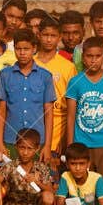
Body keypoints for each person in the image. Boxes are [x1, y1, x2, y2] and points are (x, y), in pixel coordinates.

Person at [65, 37, 103, 179]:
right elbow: (71, 117)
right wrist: (70, 147)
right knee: (83, 188)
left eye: (98, 56)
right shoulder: (75, 82)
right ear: (83, 58)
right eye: (89, 56)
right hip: (81, 144)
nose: (93, 60)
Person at [0, 29, 55, 164]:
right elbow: (1, 111)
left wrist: (47, 146)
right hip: (10, 140)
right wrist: (0, 143)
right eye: (18, 49)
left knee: (36, 181)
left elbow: (49, 113)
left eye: (26, 49)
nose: (22, 53)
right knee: (9, 181)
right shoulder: (5, 75)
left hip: (37, 142)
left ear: (34, 49)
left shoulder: (45, 76)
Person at [37, 16, 79, 155]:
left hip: (58, 132)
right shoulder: (30, 62)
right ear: (38, 35)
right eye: (45, 35)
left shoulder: (68, 66)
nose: (49, 40)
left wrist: (65, 138)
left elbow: (72, 106)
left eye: (53, 36)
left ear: (59, 37)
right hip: (32, 130)